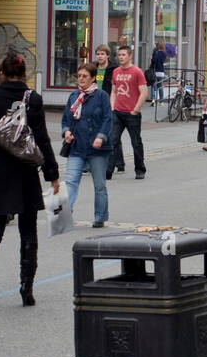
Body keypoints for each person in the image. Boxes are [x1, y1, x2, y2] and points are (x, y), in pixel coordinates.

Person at [0, 52, 61, 311]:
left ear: (1, 72)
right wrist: (51, 174)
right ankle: (26, 288)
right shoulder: (33, 99)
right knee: (28, 231)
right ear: (24, 73)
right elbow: (41, 139)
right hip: (24, 171)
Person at [62, 63, 112, 228]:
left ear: (92, 78)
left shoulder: (102, 96)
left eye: (84, 76)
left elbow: (107, 119)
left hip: (97, 149)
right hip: (77, 146)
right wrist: (66, 131)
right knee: (70, 182)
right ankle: (64, 215)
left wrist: (101, 136)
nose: (81, 79)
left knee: (99, 185)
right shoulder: (74, 96)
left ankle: (100, 217)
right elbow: (66, 118)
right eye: (79, 76)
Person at [107, 45, 148, 180]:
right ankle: (108, 170)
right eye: (119, 55)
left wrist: (135, 110)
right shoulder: (116, 72)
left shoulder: (137, 72)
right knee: (112, 140)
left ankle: (140, 169)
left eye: (124, 55)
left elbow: (144, 92)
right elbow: (113, 91)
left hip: (132, 113)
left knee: (136, 142)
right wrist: (112, 107)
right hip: (117, 112)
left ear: (130, 56)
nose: (121, 57)